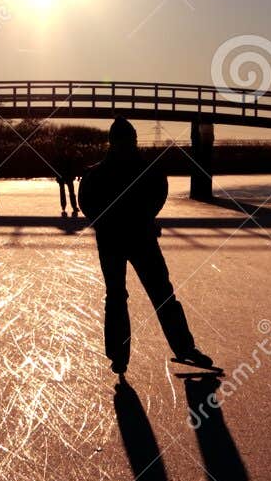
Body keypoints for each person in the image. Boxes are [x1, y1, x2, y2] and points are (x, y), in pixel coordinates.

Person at [78, 119, 215, 376]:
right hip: (139, 240)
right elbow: (158, 192)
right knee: (158, 295)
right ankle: (181, 348)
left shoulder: (97, 173)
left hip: (115, 242)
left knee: (123, 297)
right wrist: (142, 219)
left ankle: (120, 356)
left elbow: (87, 203)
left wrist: (108, 224)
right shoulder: (143, 169)